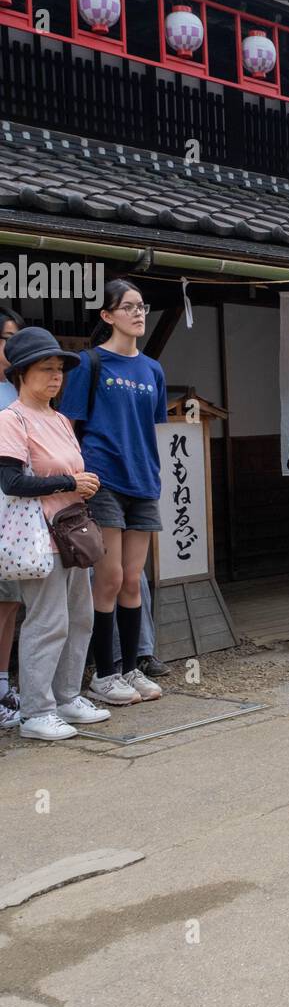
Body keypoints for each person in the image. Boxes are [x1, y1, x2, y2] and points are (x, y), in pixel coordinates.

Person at [59, 279, 167, 705]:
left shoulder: (153, 369)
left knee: (132, 582)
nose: (139, 313)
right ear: (107, 316)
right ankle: (103, 674)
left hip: (145, 481)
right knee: (108, 578)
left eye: (142, 306)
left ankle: (131, 669)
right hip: (103, 480)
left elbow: (150, 426)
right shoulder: (90, 363)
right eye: (128, 307)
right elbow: (69, 426)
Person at [0, 328, 110, 741]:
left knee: (78, 618)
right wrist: (69, 482)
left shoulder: (60, 419)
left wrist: (81, 485)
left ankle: (65, 697)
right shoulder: (11, 420)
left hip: (71, 532)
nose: (55, 377)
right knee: (47, 622)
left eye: (59, 369)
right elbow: (11, 482)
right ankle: (36, 711)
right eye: (46, 369)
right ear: (22, 374)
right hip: (39, 535)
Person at [0, 306, 24, 731]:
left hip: (14, 515)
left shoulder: (17, 391)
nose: (13, 346)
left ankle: (2, 683)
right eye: (6, 337)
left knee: (8, 602)